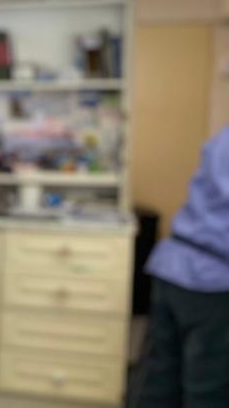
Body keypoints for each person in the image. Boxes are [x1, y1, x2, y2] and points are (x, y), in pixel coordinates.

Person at [132, 125, 229, 407]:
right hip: (212, 282)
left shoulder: (222, 138)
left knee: (159, 381)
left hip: (175, 266)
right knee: (208, 390)